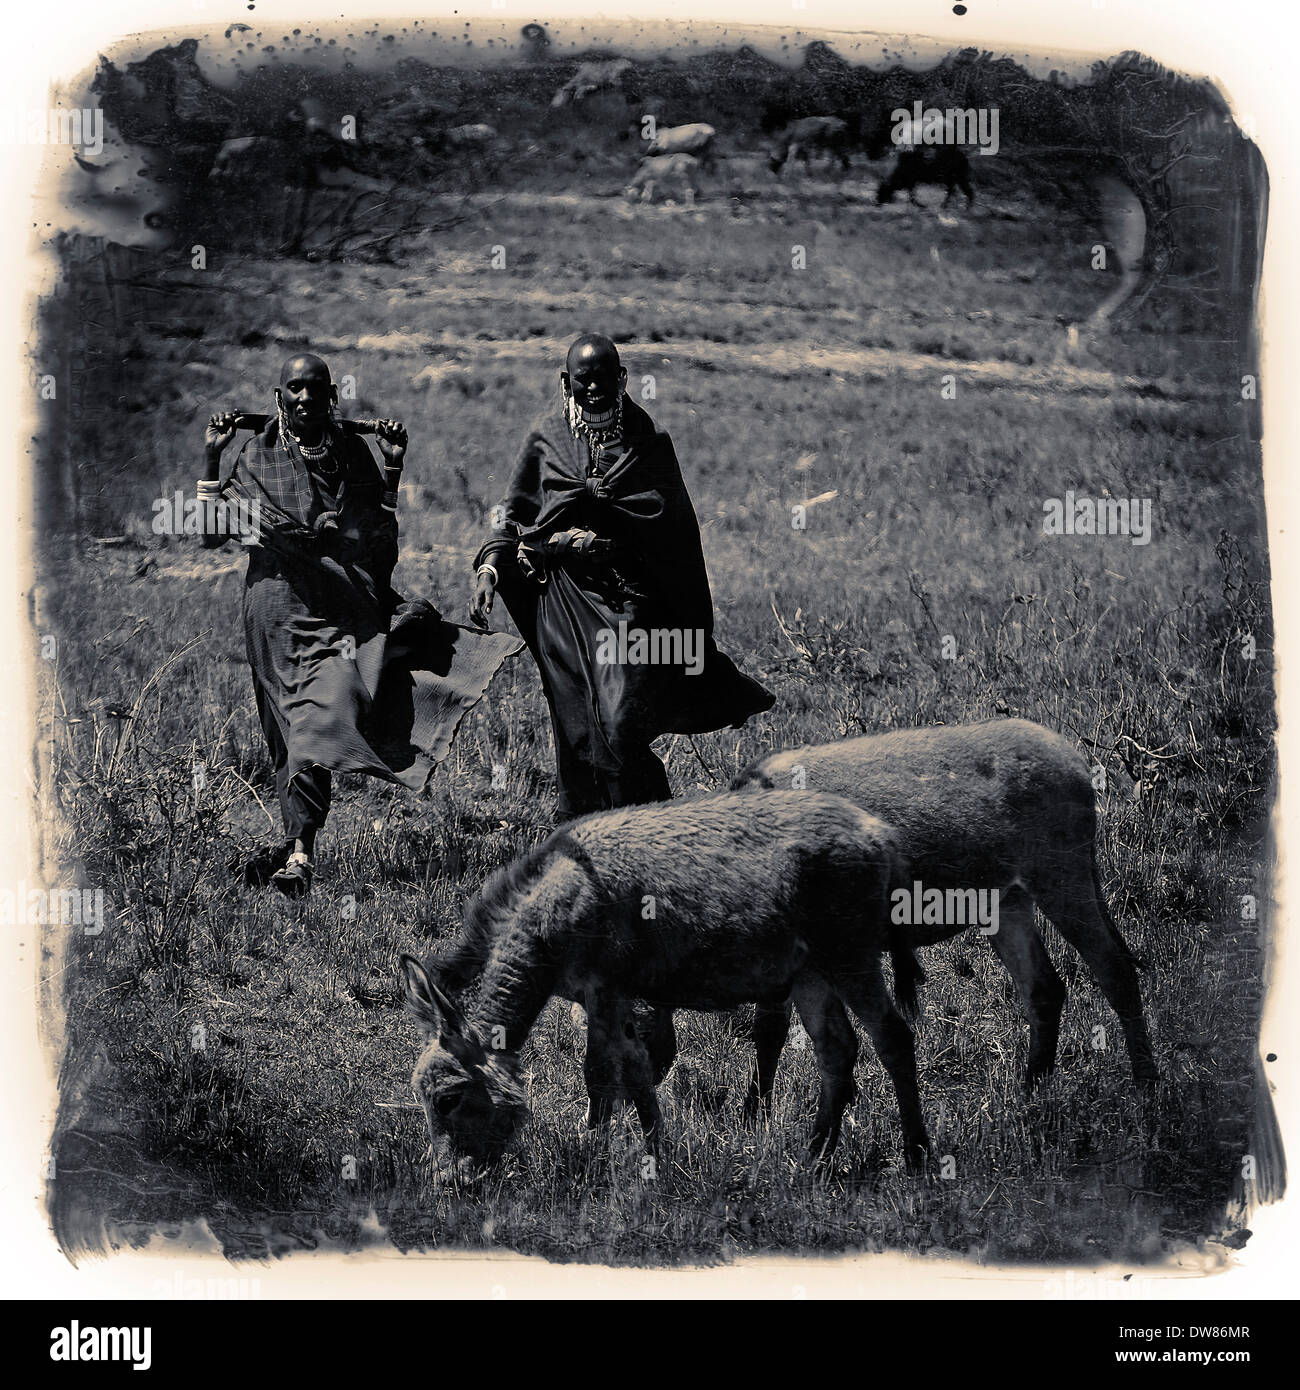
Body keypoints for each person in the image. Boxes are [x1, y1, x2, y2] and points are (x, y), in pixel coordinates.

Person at [202, 353, 522, 896]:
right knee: (288, 730)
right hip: (276, 612)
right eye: (294, 389)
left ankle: (299, 849)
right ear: (278, 398)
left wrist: (392, 468)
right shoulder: (258, 455)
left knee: (321, 711)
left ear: (332, 397)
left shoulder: (353, 453)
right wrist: (211, 459)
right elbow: (211, 534)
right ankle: (299, 845)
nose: (305, 398)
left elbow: (377, 541)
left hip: (341, 611)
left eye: (316, 389)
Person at [470, 334, 773, 818]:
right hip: (564, 602)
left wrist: (616, 546)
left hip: (626, 599)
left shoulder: (646, 442)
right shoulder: (546, 435)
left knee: (619, 718)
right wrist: (491, 565)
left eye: (604, 378)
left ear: (622, 379)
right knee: (577, 719)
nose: (594, 388)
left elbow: (672, 531)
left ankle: (649, 820)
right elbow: (512, 510)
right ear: (565, 382)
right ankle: (592, 824)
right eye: (583, 380)